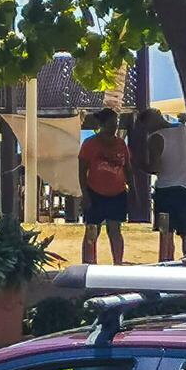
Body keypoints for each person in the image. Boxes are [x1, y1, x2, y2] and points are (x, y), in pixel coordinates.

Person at [136, 107, 186, 256]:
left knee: (166, 232)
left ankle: (166, 261)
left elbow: (155, 168)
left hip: (165, 190)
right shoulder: (184, 130)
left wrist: (138, 163)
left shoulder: (156, 137)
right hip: (184, 188)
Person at [77, 108, 130, 265]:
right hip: (95, 192)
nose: (114, 126)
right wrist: (85, 195)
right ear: (102, 124)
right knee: (92, 230)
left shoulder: (121, 144)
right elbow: (81, 171)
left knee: (115, 230)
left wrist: (132, 190)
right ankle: (88, 264)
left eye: (116, 123)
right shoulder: (90, 144)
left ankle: (118, 263)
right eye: (111, 123)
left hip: (117, 193)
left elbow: (128, 169)